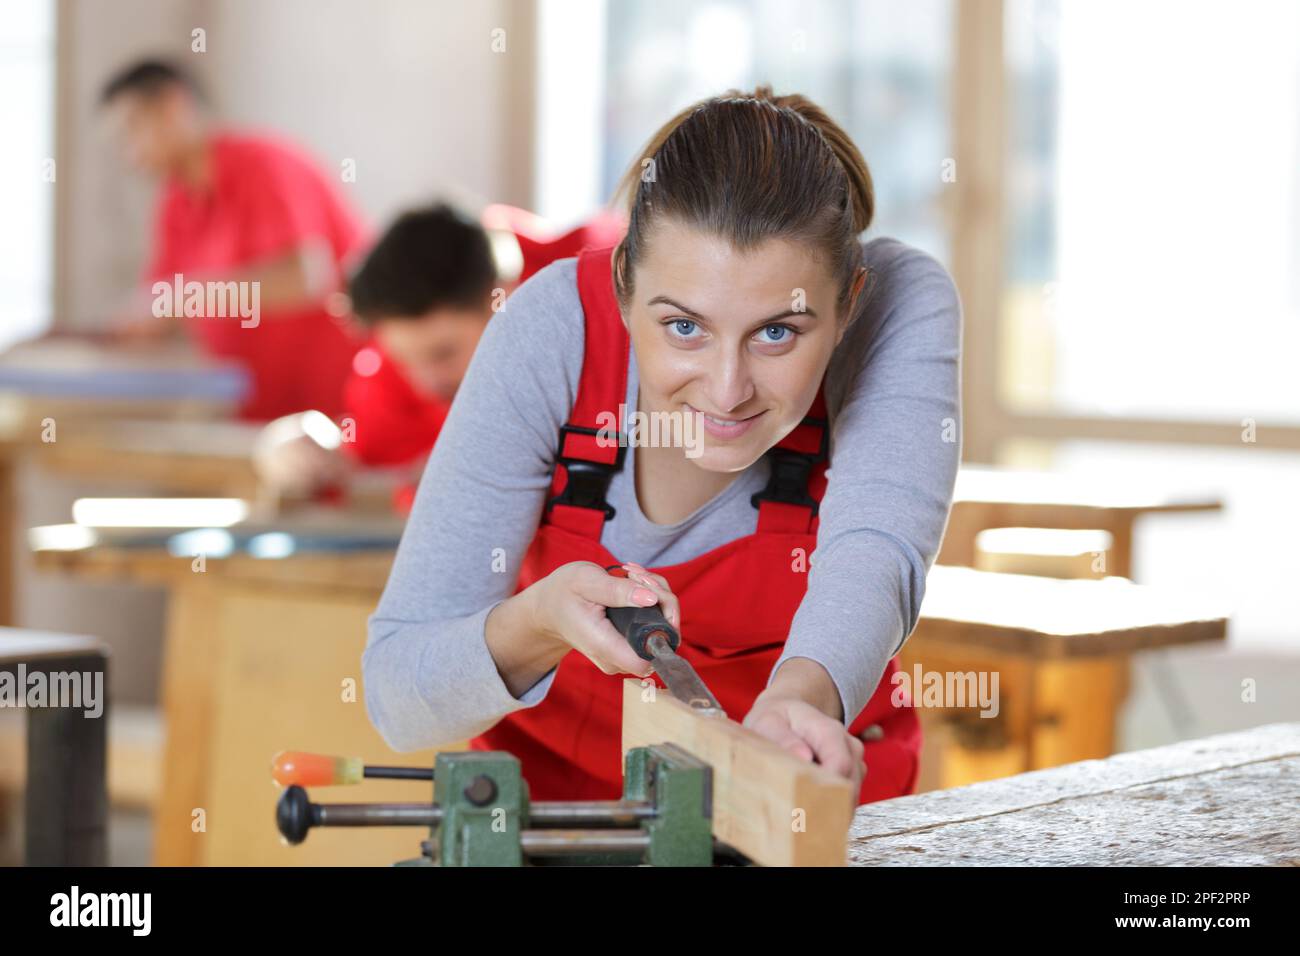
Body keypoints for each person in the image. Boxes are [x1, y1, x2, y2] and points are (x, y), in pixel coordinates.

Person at [363, 86, 962, 805]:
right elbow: (397, 697)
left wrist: (797, 704)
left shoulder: (901, 302)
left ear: (849, 303)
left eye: (778, 332)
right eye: (684, 327)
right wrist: (540, 622)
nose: (727, 388)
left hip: (805, 804)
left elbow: (875, 549)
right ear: (623, 288)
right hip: (565, 819)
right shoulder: (552, 328)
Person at [254, 203, 626, 512]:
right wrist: (287, 448)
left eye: (443, 353)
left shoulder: (607, 292)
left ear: (503, 298)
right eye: (404, 359)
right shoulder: (394, 372)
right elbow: (355, 461)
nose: (425, 381)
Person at [101, 59, 368, 420]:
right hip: (260, 410)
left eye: (132, 129)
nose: (130, 155)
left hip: (343, 404)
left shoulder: (266, 164)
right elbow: (164, 305)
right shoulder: (176, 203)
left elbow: (306, 278)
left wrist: (181, 298)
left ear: (172, 106)